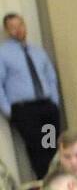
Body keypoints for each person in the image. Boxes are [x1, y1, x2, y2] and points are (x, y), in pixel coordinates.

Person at [0, 13, 61, 177]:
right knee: (37, 149)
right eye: (12, 27)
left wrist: (54, 102)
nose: (17, 30)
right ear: (7, 30)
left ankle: (57, 180)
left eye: (20, 25)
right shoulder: (3, 53)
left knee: (50, 145)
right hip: (25, 111)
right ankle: (45, 182)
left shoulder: (38, 51)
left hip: (46, 107)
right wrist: (9, 111)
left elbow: (50, 77)